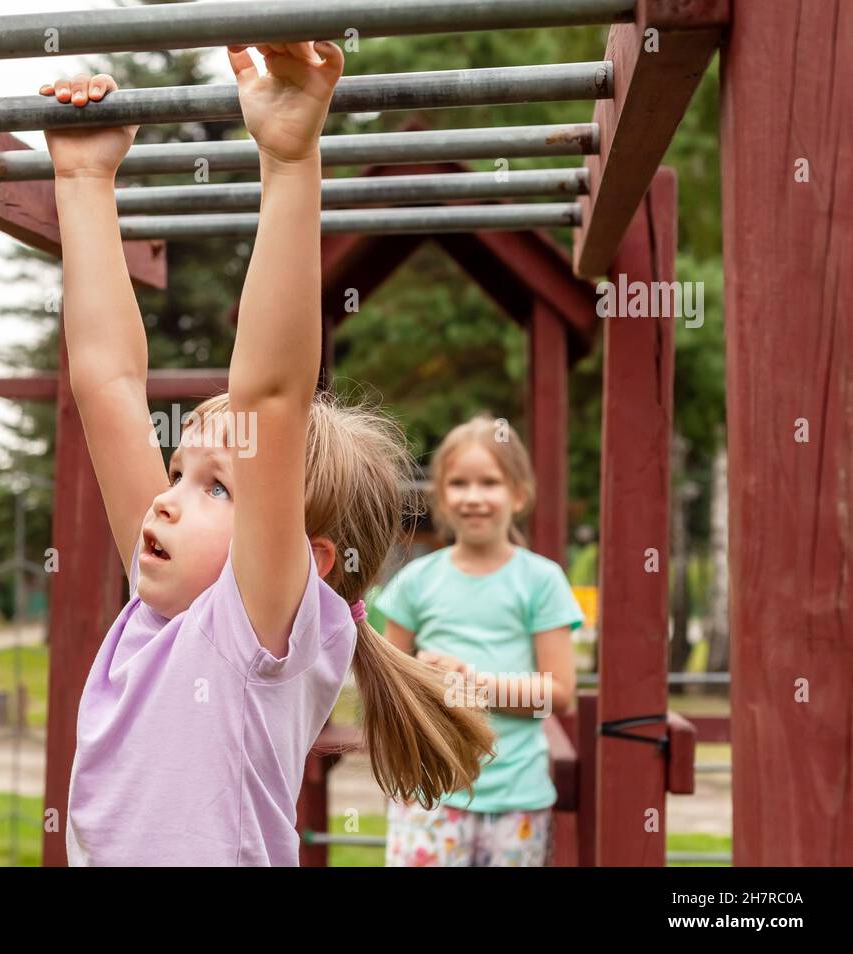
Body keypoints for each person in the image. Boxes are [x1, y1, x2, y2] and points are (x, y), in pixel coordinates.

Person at [42, 41, 495, 866]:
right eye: (182, 473)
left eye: (219, 488)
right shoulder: (166, 621)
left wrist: (290, 161)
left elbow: (272, 397)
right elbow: (108, 384)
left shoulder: (255, 629)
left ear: (308, 560)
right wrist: (83, 183)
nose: (168, 498)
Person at [376, 415, 582, 866]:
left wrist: (474, 686)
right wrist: (424, 678)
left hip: (516, 797)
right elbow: (386, 679)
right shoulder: (415, 583)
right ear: (441, 498)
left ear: (519, 493)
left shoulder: (542, 581)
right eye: (459, 484)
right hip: (428, 791)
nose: (473, 497)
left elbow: (560, 695)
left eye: (489, 482)